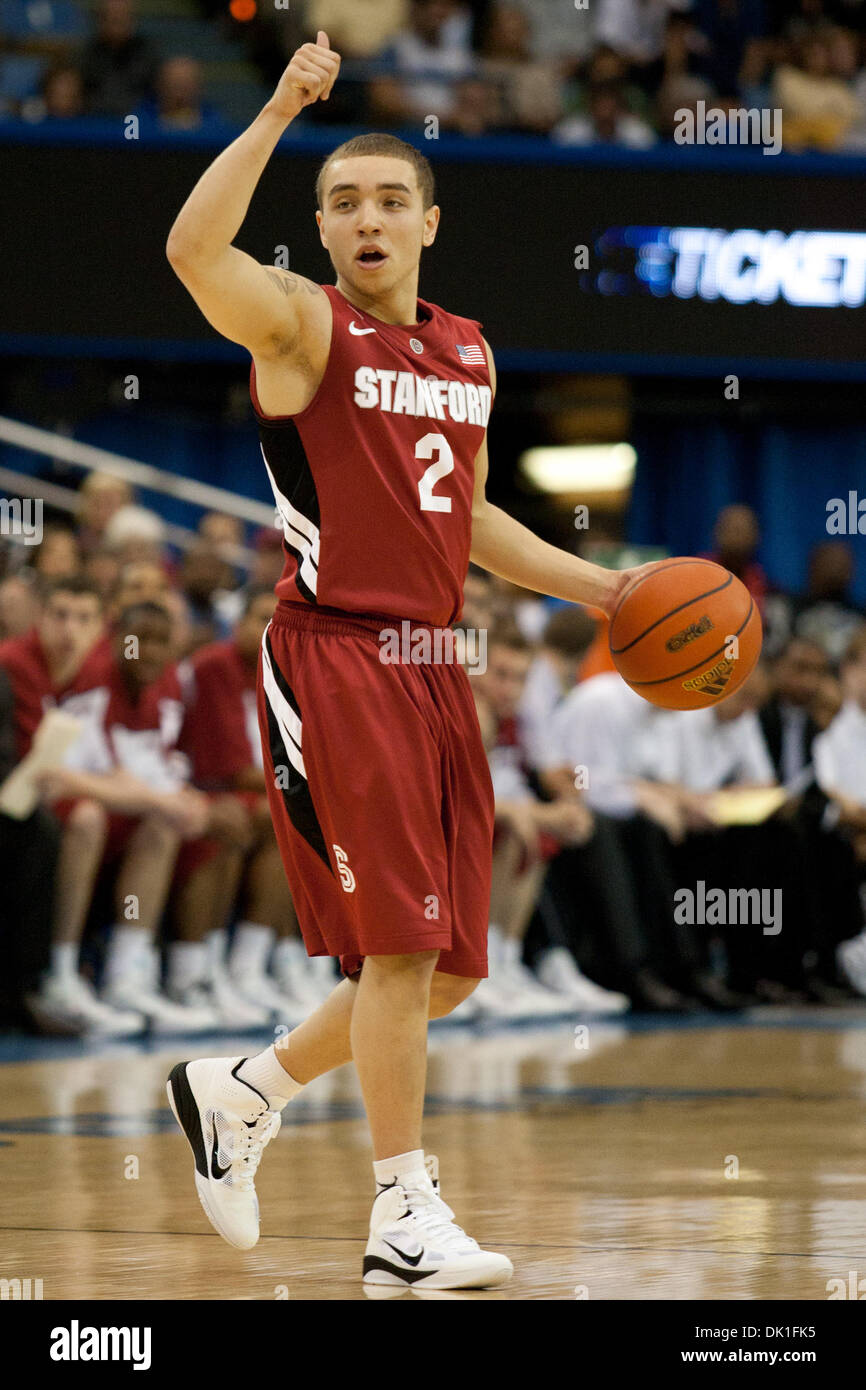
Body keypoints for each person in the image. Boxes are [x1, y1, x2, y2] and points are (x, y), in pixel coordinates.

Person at [164, 30, 650, 1290]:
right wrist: (277, 109)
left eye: (389, 200)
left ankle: (242, 1088)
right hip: (334, 655)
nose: (366, 219)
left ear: (429, 222)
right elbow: (188, 253)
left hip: (440, 665)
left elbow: (471, 520)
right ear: (319, 233)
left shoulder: (468, 352)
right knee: (394, 950)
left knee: (441, 976)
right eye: (342, 205)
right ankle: (399, 1216)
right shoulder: (296, 326)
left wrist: (606, 586)